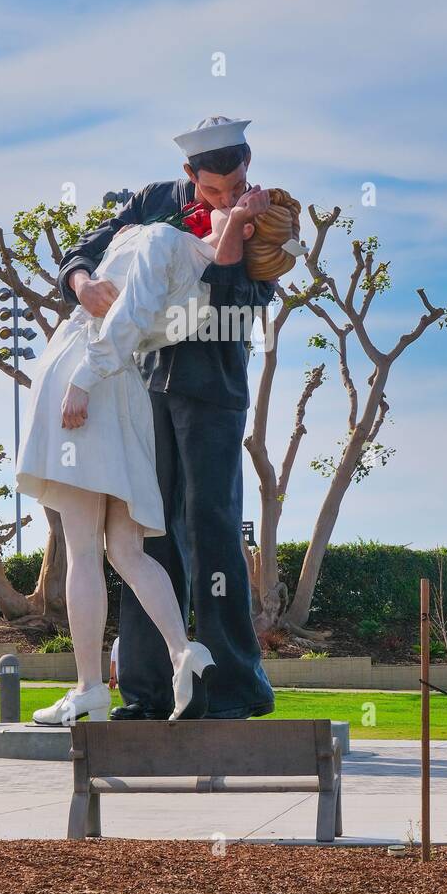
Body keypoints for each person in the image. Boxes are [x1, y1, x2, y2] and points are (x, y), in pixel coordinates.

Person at [55, 117, 285, 721]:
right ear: (190, 176)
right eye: (213, 191)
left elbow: (247, 299)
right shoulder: (152, 202)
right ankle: (148, 691)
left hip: (213, 389)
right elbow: (84, 250)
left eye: (236, 185)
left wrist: (235, 227)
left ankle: (235, 686)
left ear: (248, 164)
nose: (227, 197)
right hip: (142, 386)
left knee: (212, 529)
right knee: (142, 530)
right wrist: (83, 284)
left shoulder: (268, 213)